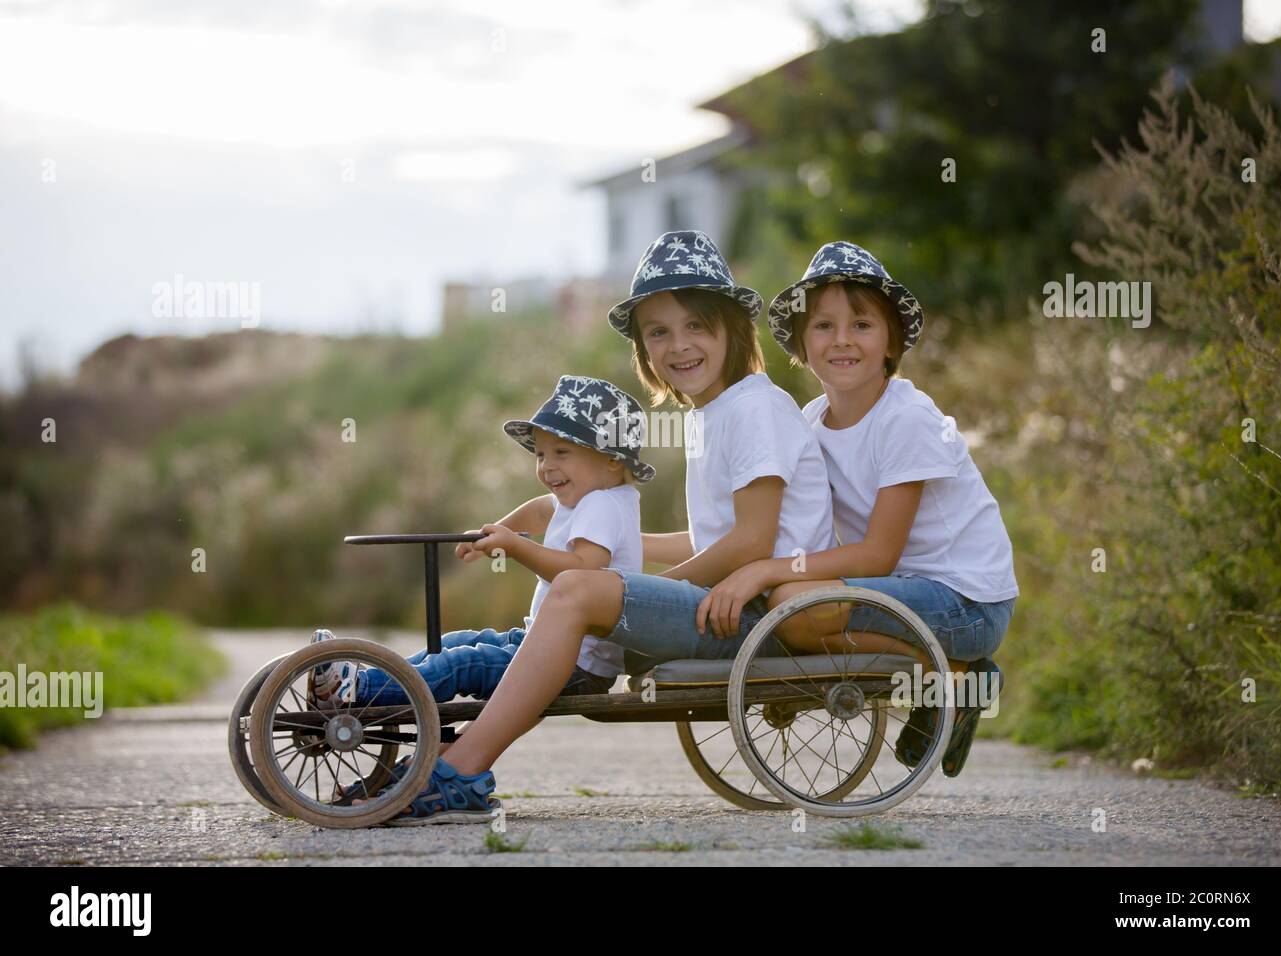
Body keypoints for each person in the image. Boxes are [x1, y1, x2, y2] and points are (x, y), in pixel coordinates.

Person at [376, 229, 836, 823]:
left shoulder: (754, 409)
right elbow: (712, 538)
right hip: (733, 603)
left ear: (732, 328)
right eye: (659, 333)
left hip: (762, 614)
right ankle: (423, 729)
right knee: (556, 602)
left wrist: (645, 590)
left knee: (574, 589)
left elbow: (754, 541)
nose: (679, 346)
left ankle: (462, 770)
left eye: (698, 326)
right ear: (644, 349)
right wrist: (631, 558)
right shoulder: (716, 413)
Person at [702, 240, 1019, 777]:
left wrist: (765, 569)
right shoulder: (810, 420)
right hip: (905, 589)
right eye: (823, 326)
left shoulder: (908, 419)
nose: (842, 340)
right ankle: (945, 673)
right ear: (801, 342)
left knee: (795, 605)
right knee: (792, 599)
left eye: (863, 325)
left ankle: (955, 677)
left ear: (892, 340)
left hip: (966, 601)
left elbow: (876, 553)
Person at [310, 375, 652, 820]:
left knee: (463, 663)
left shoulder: (604, 506)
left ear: (611, 460)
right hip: (547, 643)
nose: (547, 466)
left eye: (562, 453)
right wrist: (493, 530)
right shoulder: (589, 496)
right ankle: (376, 691)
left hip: (578, 663)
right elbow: (539, 508)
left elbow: (584, 572)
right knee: (456, 644)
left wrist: (517, 547)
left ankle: (364, 690)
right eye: (542, 454)